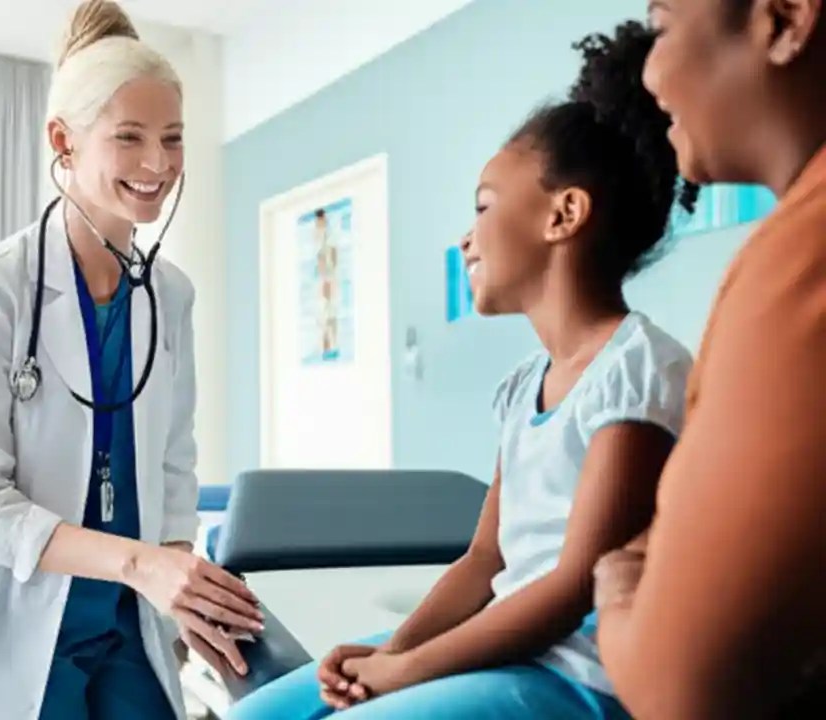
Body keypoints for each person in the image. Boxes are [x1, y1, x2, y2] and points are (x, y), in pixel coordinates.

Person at [228, 21, 695, 719]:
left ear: (564, 214)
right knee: (256, 714)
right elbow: (484, 561)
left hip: (580, 678)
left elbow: (573, 586)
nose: (466, 235)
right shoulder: (520, 391)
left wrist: (407, 671)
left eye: (483, 205)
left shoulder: (636, 371)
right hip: (517, 651)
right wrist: (391, 657)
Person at [0, 2, 262, 718]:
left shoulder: (170, 296)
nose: (158, 164)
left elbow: (174, 463)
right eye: (129, 138)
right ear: (63, 139)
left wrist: (179, 582)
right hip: (6, 617)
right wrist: (142, 563)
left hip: (124, 620)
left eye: (173, 139)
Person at [593, 1, 826, 717]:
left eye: (661, 28)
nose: (651, 72)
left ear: (785, 17)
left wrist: (621, 581)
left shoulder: (797, 263)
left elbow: (681, 689)